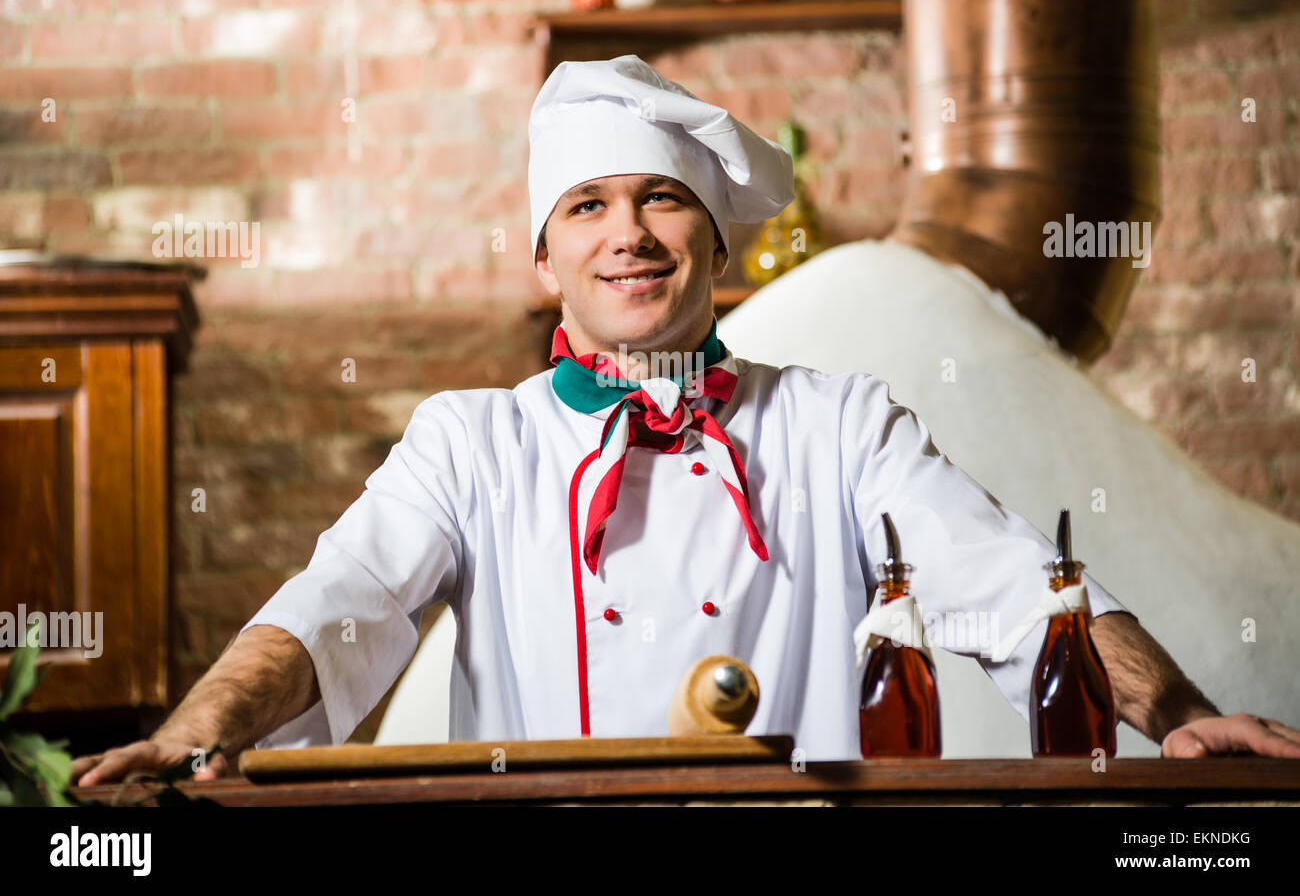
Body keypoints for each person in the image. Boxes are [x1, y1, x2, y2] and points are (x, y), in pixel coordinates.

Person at [73, 55, 1300, 788]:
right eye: (591, 206)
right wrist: (198, 729)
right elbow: (339, 605)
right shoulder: (468, 442)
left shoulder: (836, 423)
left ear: (715, 240)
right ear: (547, 253)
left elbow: (1022, 590)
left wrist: (1184, 713)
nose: (629, 234)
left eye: (663, 200)